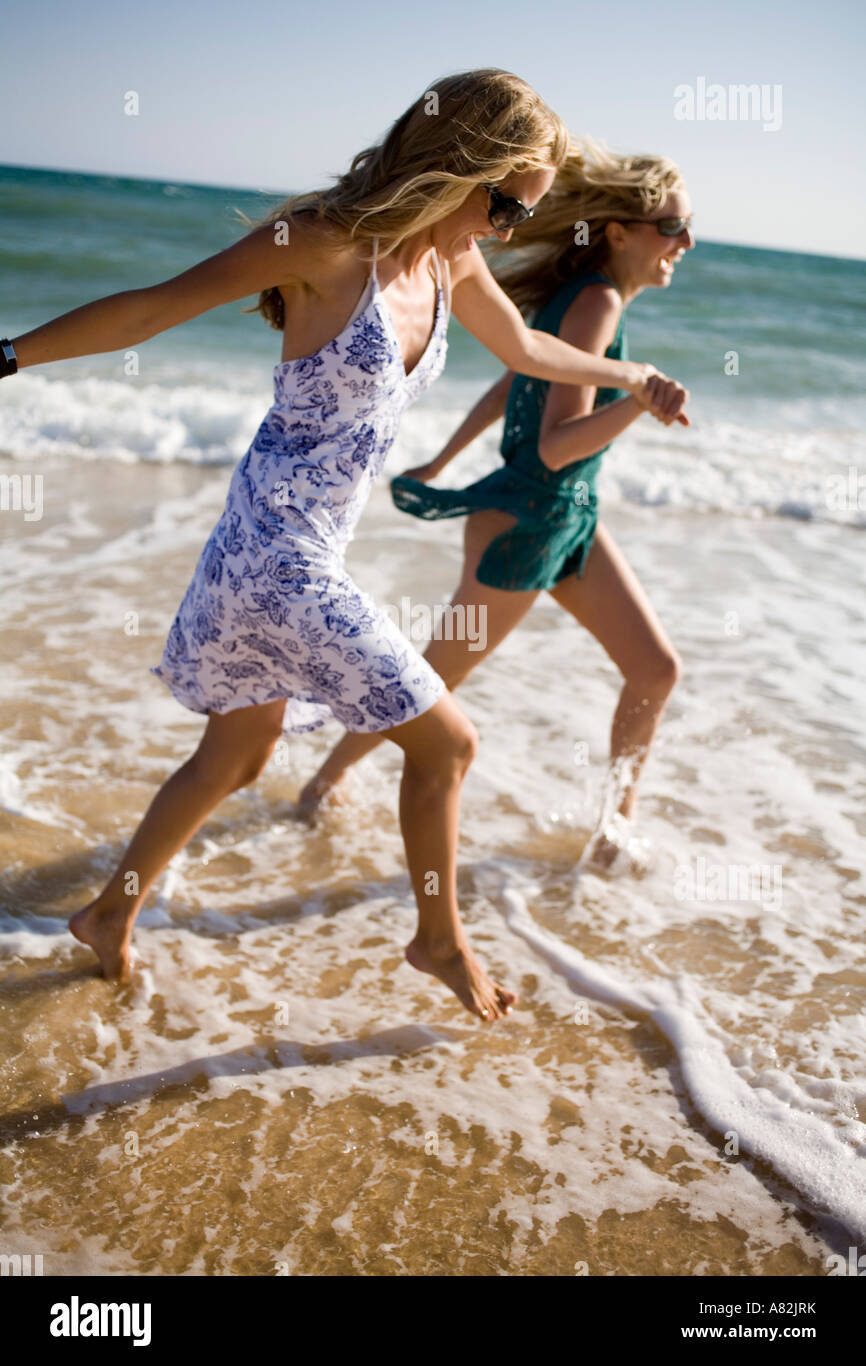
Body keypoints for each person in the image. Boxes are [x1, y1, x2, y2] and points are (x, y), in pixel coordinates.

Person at [0, 73, 688, 1021]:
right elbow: (153, 309)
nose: (502, 226)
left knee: (238, 757)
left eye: (521, 213)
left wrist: (631, 374)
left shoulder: (451, 260)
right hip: (274, 554)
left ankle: (107, 915)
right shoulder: (325, 242)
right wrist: (7, 355)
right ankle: (439, 940)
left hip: (299, 549)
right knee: (448, 742)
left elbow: (529, 354)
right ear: (461, 165)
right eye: (502, 202)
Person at [300, 140, 694, 866]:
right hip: (530, 522)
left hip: (567, 517)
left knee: (655, 668)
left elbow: (520, 377)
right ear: (619, 232)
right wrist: (638, 398)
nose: (686, 242)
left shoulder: (587, 298)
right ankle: (321, 786)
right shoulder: (598, 299)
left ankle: (614, 830)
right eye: (671, 227)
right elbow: (553, 445)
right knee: (435, 677)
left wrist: (447, 456)